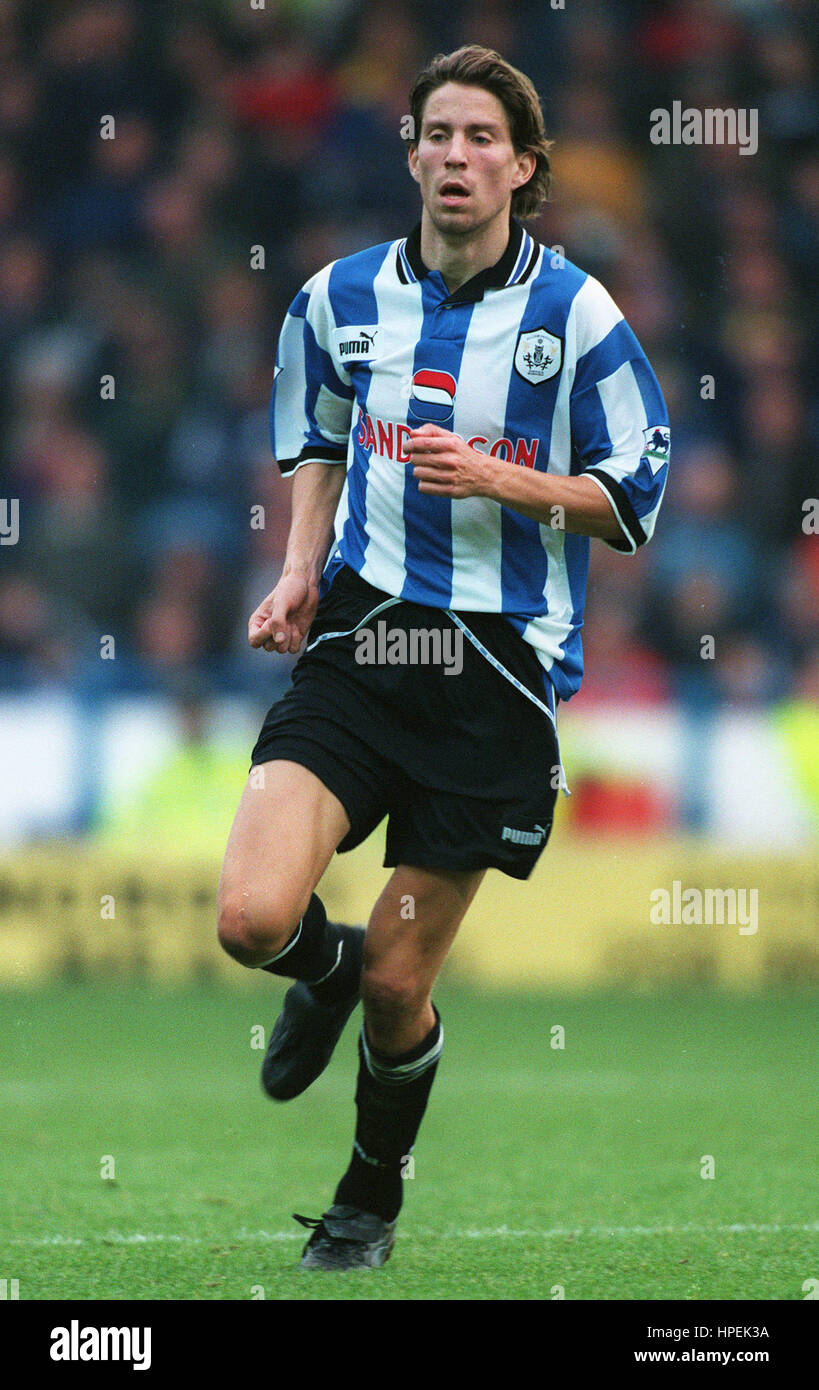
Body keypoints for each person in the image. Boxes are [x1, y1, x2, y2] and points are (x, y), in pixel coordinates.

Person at [216, 44, 669, 1271]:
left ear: (524, 166)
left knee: (399, 992)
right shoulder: (337, 297)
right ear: (411, 151)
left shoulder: (578, 314)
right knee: (252, 917)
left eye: (483, 139)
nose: (458, 156)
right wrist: (300, 568)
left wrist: (506, 481)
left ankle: (368, 1200)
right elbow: (314, 438)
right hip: (362, 645)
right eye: (439, 134)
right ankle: (324, 960)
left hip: (496, 681)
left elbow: (640, 494)